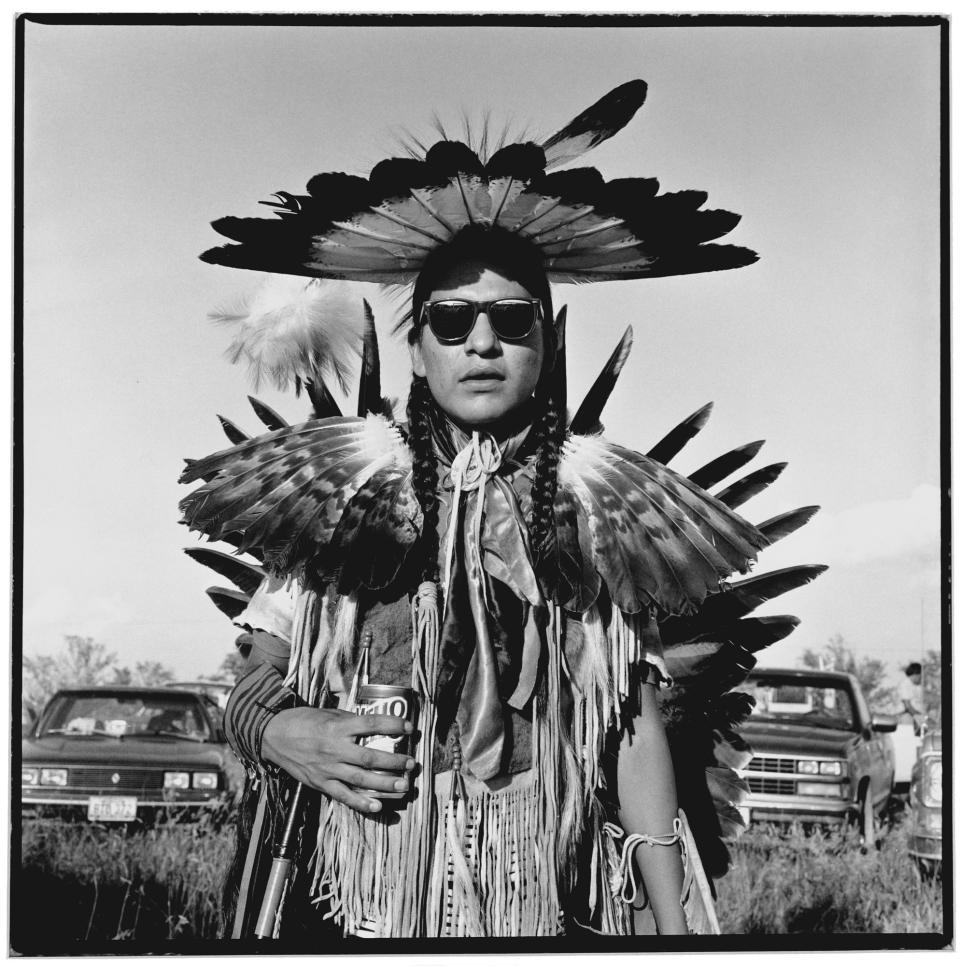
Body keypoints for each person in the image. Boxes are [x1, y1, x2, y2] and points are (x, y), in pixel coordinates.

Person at [181, 80, 820, 941]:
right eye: (451, 319)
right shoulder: (346, 484)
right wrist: (282, 729)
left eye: (511, 318)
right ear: (417, 346)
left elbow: (628, 727)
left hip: (540, 905)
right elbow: (252, 681)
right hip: (356, 907)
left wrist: (678, 932)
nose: (482, 341)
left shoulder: (599, 502)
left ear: (546, 339)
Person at [898, 662, 925, 734]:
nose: (921, 678)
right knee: (909, 739)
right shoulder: (905, 684)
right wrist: (918, 717)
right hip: (908, 716)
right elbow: (907, 705)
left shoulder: (918, 686)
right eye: (920, 676)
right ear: (916, 674)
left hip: (918, 717)